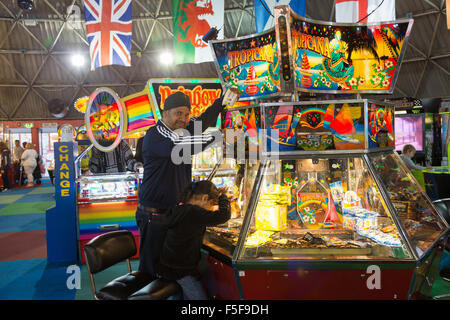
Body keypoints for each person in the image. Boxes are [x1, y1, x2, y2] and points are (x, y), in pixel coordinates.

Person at [136, 88, 239, 277]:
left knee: (171, 270)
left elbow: (203, 121)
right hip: (154, 215)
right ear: (165, 113)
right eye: (178, 114)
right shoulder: (156, 135)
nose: (183, 118)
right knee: (150, 271)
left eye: (186, 114)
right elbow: (183, 148)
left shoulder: (181, 130)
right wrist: (217, 137)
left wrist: (222, 101)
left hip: (174, 212)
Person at [155, 180, 230, 300]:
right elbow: (223, 216)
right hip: (181, 270)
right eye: (211, 204)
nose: (210, 208)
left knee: (180, 295)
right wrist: (223, 197)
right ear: (205, 198)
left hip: (167, 264)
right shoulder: (194, 212)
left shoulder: (180, 207)